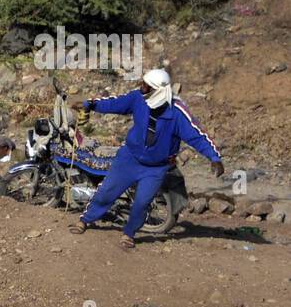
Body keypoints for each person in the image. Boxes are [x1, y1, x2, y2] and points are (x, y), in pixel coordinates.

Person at [70, 68, 223, 250]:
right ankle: (86, 220)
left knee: (142, 203)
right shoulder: (138, 98)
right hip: (129, 158)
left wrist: (214, 157)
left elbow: (198, 135)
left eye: (145, 86)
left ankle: (129, 233)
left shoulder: (177, 112)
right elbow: (115, 103)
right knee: (107, 192)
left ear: (157, 90)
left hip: (156, 168)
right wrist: (91, 104)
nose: (141, 87)